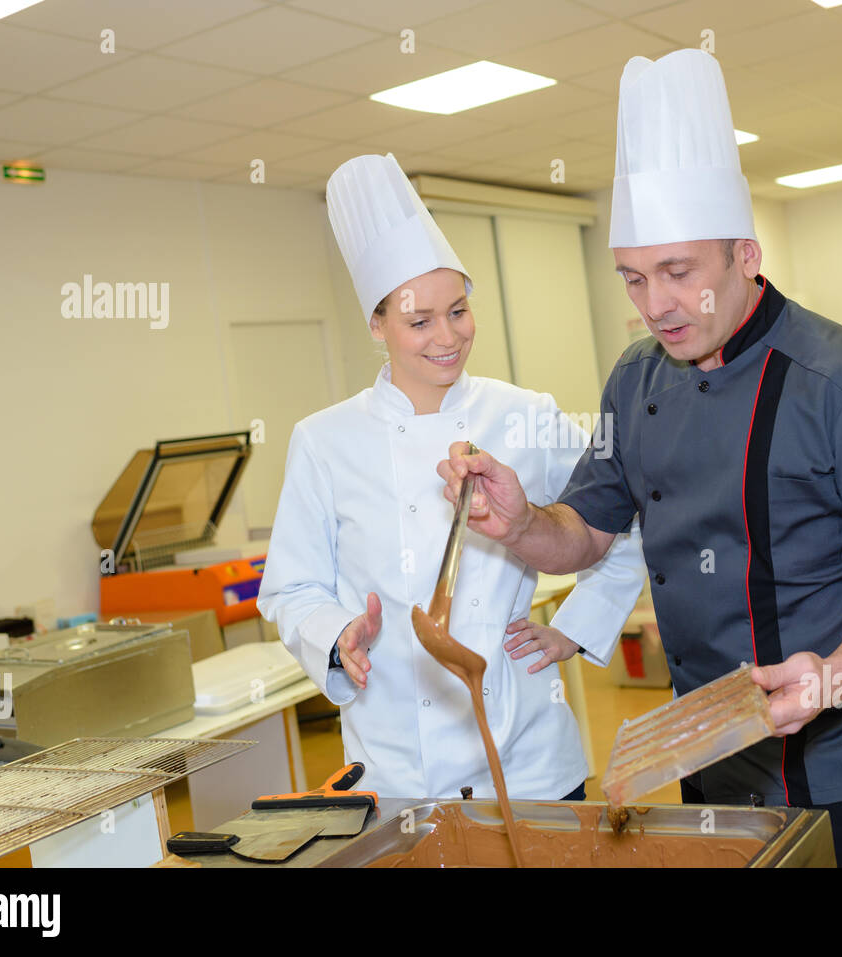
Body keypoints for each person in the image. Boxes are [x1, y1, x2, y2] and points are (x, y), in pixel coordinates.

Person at [436, 50, 842, 867]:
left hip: (829, 758)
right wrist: (519, 522)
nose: (655, 306)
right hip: (703, 755)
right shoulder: (635, 379)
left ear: (745, 255)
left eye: (678, 273)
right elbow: (587, 532)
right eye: (634, 278)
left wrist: (833, 674)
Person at [257, 153, 645, 802]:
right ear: (377, 325)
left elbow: (623, 523)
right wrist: (335, 635)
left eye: (458, 310)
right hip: (395, 772)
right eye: (419, 320)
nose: (448, 336)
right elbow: (292, 585)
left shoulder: (525, 415)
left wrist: (576, 626)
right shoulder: (324, 441)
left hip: (530, 763)